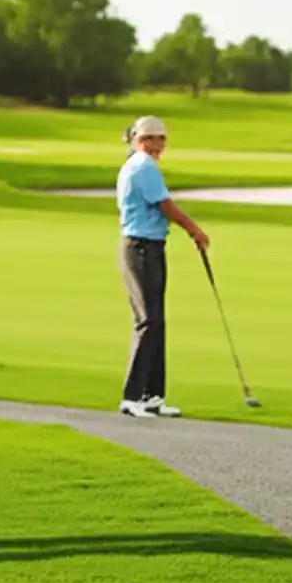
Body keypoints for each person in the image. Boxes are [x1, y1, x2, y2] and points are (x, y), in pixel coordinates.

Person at [116, 115, 210, 418]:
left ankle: (152, 396)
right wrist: (194, 229)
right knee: (148, 321)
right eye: (150, 138)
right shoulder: (143, 166)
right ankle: (132, 398)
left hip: (151, 248)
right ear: (138, 140)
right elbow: (165, 205)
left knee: (156, 322)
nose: (157, 144)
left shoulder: (142, 165)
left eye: (161, 138)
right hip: (141, 248)